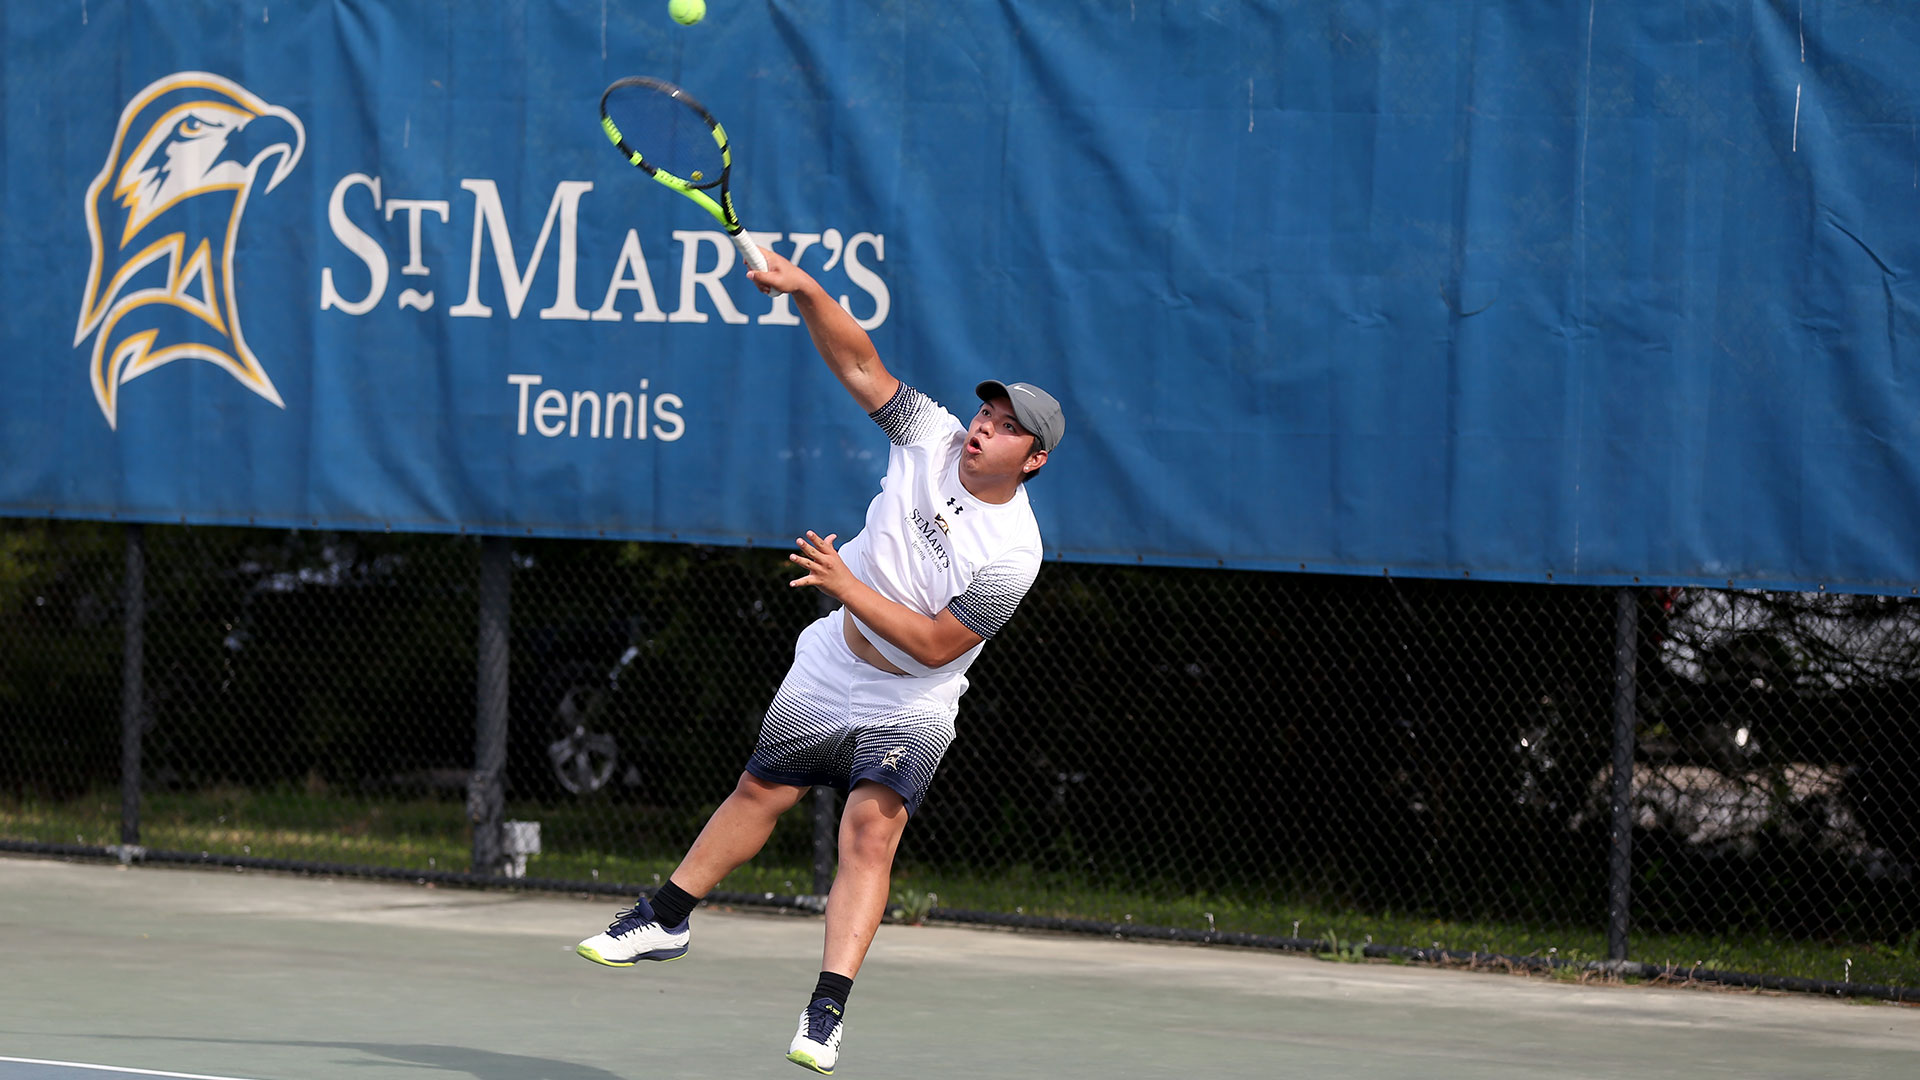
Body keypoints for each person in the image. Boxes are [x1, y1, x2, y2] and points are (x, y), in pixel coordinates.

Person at [573, 248, 1065, 1075]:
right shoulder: (933, 438)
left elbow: (939, 644)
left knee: (868, 834)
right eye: (989, 413)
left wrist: (845, 582)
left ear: (1033, 458)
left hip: (913, 699)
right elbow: (859, 362)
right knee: (761, 789)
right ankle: (665, 917)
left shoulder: (1016, 553)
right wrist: (804, 289)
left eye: (1009, 426)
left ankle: (825, 1012)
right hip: (831, 662)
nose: (986, 427)